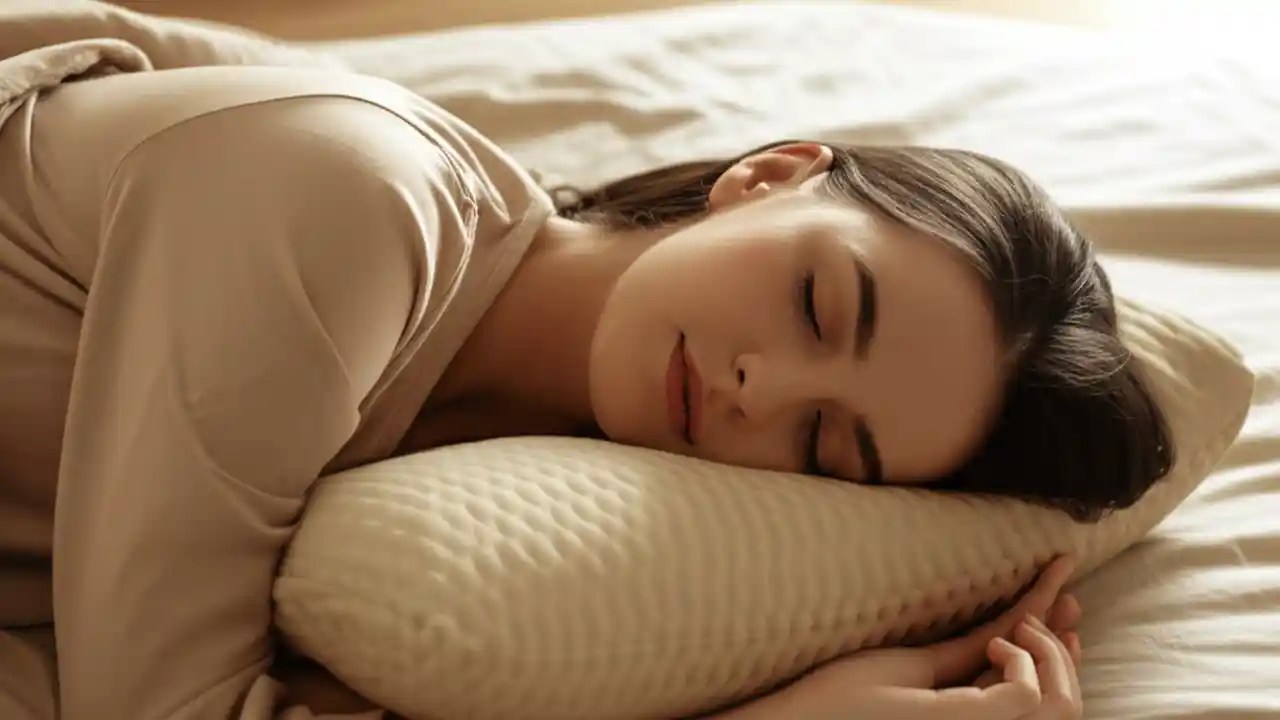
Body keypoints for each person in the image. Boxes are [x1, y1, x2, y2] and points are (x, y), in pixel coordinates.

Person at [0, 13, 1172, 720]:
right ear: (769, 175)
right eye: (817, 303)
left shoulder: (517, 489)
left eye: (824, 445)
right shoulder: (349, 201)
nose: (759, 391)